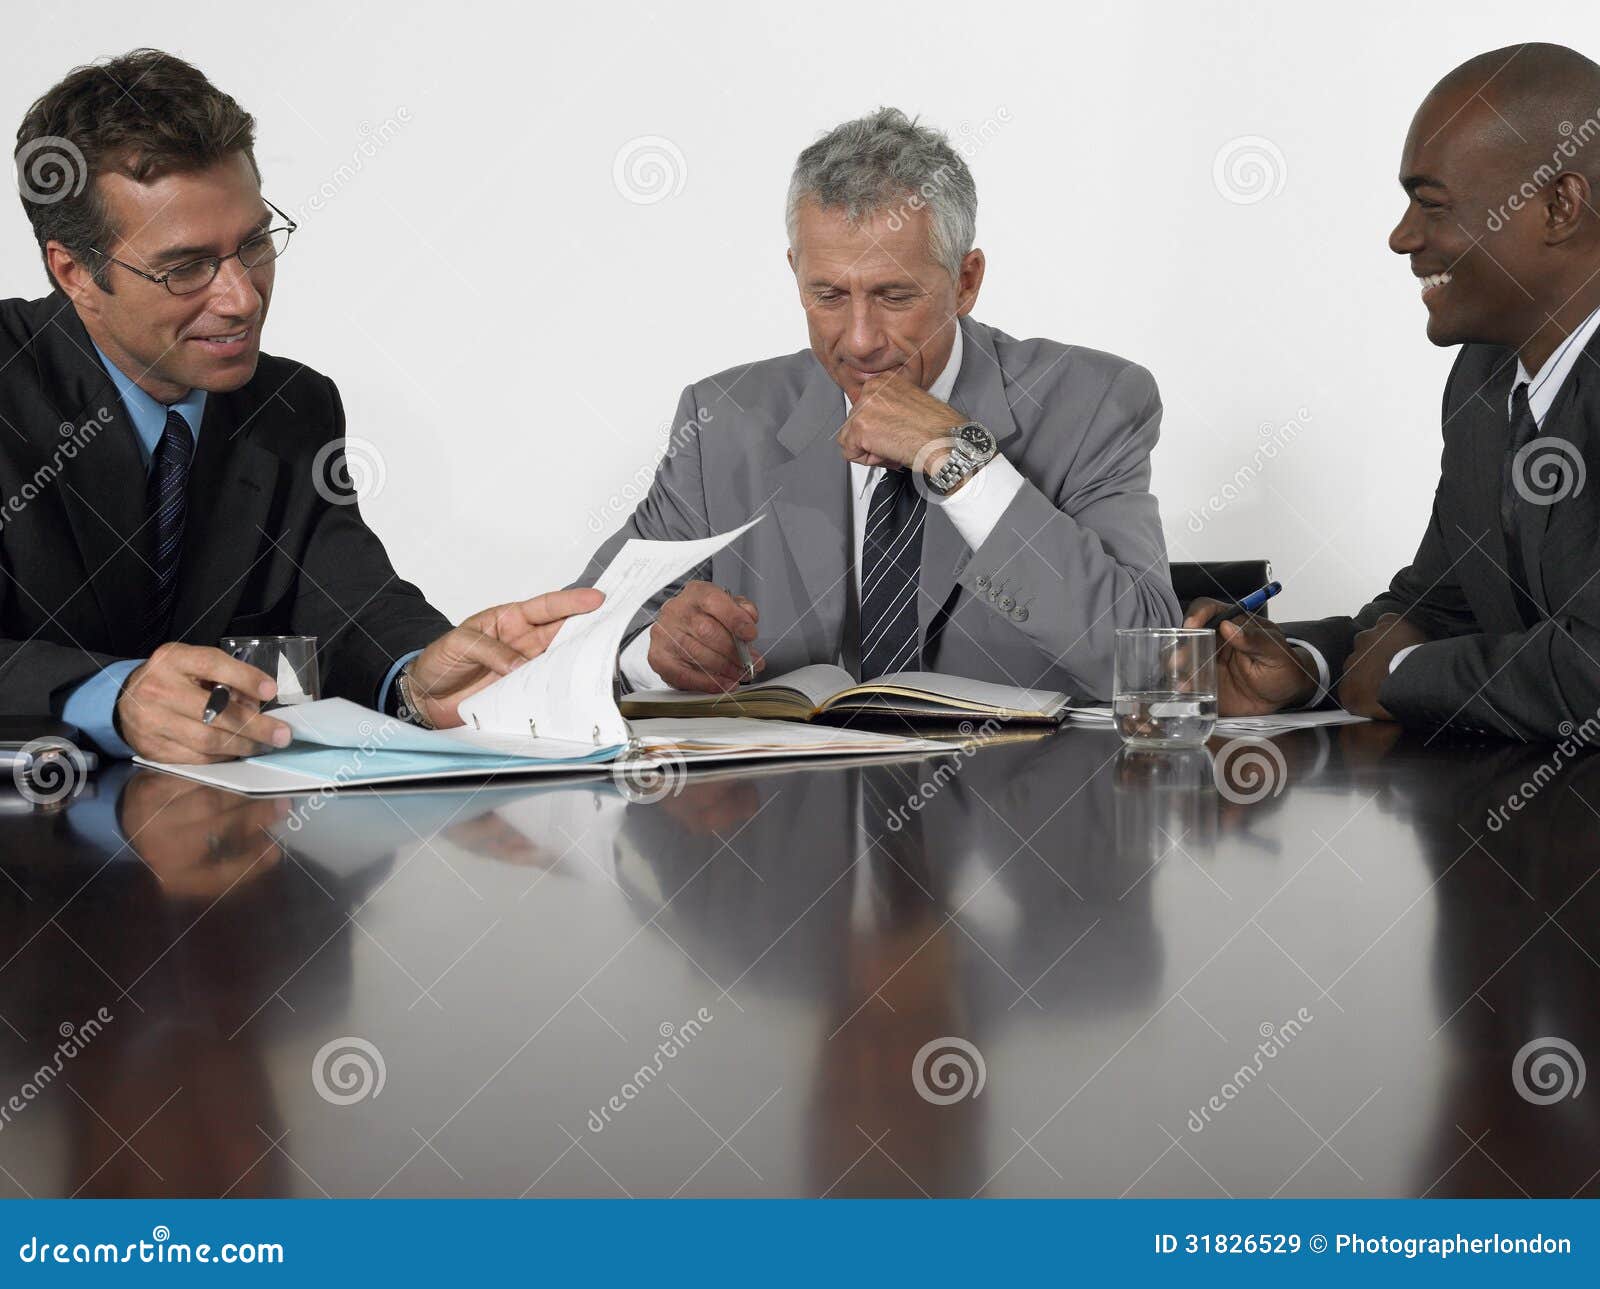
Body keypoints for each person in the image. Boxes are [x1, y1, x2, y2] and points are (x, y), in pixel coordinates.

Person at [0, 49, 600, 764]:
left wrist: (415, 677)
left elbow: (346, 608)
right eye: (187, 266)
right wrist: (113, 697)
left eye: (254, 243)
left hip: (235, 847)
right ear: (74, 272)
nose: (242, 298)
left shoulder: (293, 406)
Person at [579, 107, 1179, 701]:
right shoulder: (722, 422)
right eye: (829, 295)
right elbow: (568, 639)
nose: (861, 340)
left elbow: (1151, 664)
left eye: (894, 296)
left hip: (1016, 791)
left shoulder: (1094, 403)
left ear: (966, 281)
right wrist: (650, 655)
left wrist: (964, 463)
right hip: (788, 798)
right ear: (796, 274)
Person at [1187, 44, 1600, 740]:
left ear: (1558, 206)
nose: (1401, 237)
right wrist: (1302, 664)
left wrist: (1407, 676)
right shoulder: (1484, 379)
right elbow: (1440, 607)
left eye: (1430, 203)